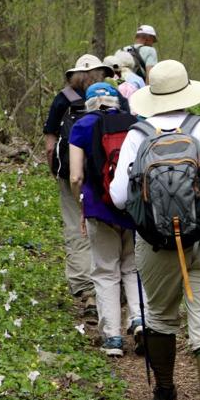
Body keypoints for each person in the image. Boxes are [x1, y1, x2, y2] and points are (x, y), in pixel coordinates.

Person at [110, 60, 200, 400]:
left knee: (160, 316)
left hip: (157, 245)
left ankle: (165, 395)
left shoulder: (137, 136)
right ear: (187, 92)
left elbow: (118, 197)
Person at [68, 83, 146, 357]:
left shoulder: (82, 126)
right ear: (116, 101)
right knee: (133, 267)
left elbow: (76, 176)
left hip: (99, 207)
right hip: (132, 208)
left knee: (105, 271)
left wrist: (82, 205)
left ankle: (112, 337)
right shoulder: (134, 123)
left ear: (89, 103)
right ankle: (139, 319)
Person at [43, 54, 111, 318]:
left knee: (76, 226)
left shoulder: (63, 98)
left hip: (71, 173)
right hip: (106, 174)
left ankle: (87, 290)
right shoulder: (111, 96)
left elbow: (51, 142)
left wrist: (55, 168)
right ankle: (111, 284)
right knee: (106, 226)